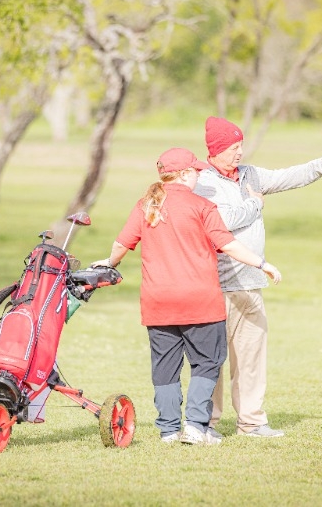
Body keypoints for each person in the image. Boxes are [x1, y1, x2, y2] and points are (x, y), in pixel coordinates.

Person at [92, 147, 282, 446]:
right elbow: (229, 245)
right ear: (182, 174)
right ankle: (195, 426)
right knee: (207, 363)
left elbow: (121, 243)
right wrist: (262, 264)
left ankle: (169, 430)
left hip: (158, 303)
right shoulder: (202, 206)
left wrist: (108, 263)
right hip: (200, 302)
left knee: (165, 367)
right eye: (195, 171)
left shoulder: (146, 205)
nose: (199, 175)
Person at [193, 116, 322, 438]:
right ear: (216, 150)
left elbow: (287, 177)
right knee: (212, 361)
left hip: (250, 284)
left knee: (251, 359)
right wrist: (255, 204)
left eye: (241, 146)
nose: (240, 153)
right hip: (216, 286)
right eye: (233, 147)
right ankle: (206, 424)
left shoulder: (250, 174)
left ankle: (251, 423)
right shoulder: (202, 183)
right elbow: (221, 222)